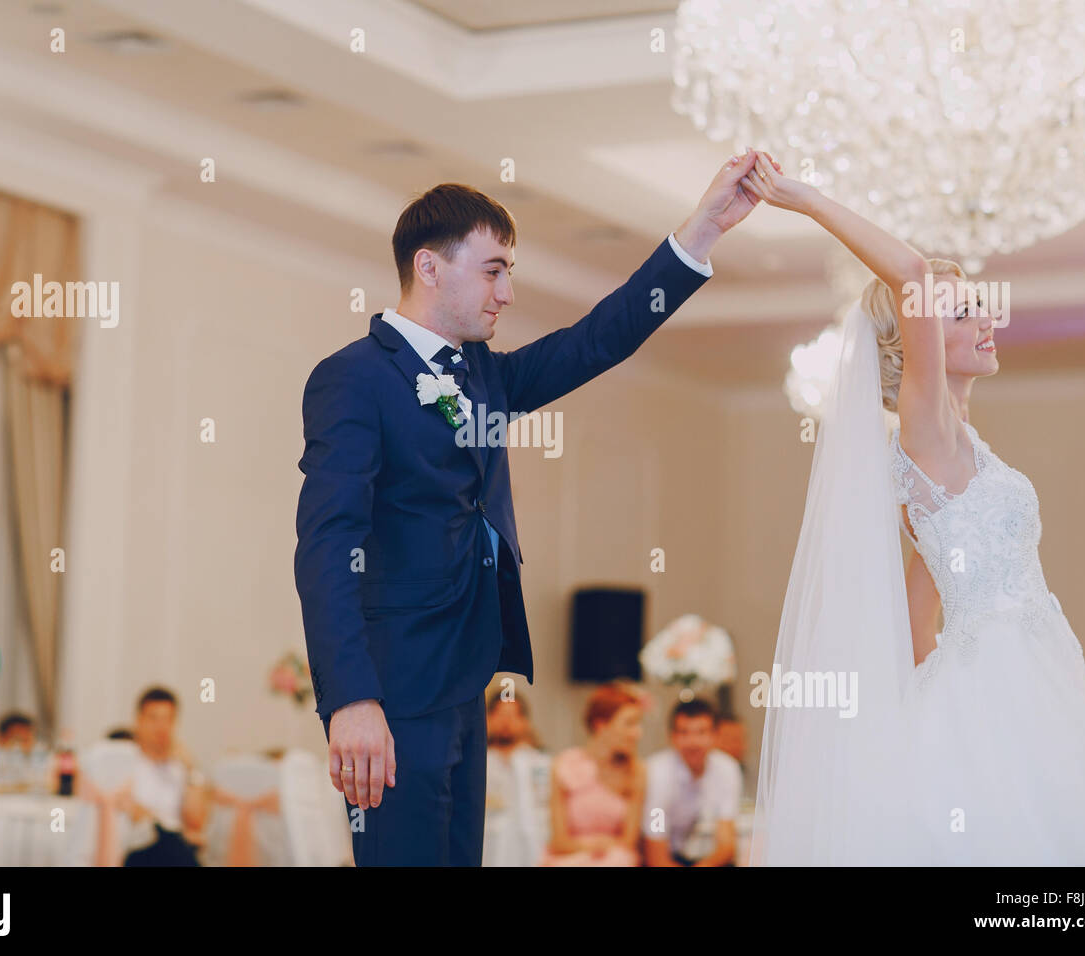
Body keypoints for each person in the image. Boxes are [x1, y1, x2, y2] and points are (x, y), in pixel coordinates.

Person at [295, 151, 781, 865]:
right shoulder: (352, 379)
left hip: (465, 683)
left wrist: (702, 230)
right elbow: (327, 546)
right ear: (430, 267)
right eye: (493, 270)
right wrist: (351, 699)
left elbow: (599, 339)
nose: (508, 292)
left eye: (509, 272)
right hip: (393, 691)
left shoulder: (483, 376)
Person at [742, 154, 1085, 864]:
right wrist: (804, 198)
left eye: (977, 308)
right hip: (1002, 676)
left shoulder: (961, 448)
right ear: (919, 342)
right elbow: (910, 273)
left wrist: (925, 712)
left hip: (1027, 673)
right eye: (961, 314)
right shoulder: (926, 431)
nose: (986, 320)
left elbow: (916, 614)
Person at [540, 684, 645, 866]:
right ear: (601, 725)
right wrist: (593, 846)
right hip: (570, 859)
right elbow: (558, 841)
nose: (637, 733)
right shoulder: (564, 765)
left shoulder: (636, 771)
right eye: (630, 723)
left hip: (616, 859)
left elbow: (629, 841)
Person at [643, 700, 742, 867]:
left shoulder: (727, 768)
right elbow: (656, 854)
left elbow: (727, 844)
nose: (693, 742)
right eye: (684, 733)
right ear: (672, 737)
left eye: (701, 732)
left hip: (702, 858)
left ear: (715, 735)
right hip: (665, 855)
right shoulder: (657, 774)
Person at [117, 687, 208, 866]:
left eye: (168, 719)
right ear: (138, 720)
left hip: (176, 848)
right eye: (154, 719)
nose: (161, 727)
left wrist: (191, 769)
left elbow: (196, 822)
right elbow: (124, 806)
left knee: (176, 845)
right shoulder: (126, 761)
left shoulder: (179, 767)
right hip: (138, 846)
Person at [483, 689, 551, 867]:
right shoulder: (478, 764)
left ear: (525, 722)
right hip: (488, 849)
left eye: (513, 715)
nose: (506, 722)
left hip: (533, 851)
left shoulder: (542, 764)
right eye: (500, 714)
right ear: (488, 718)